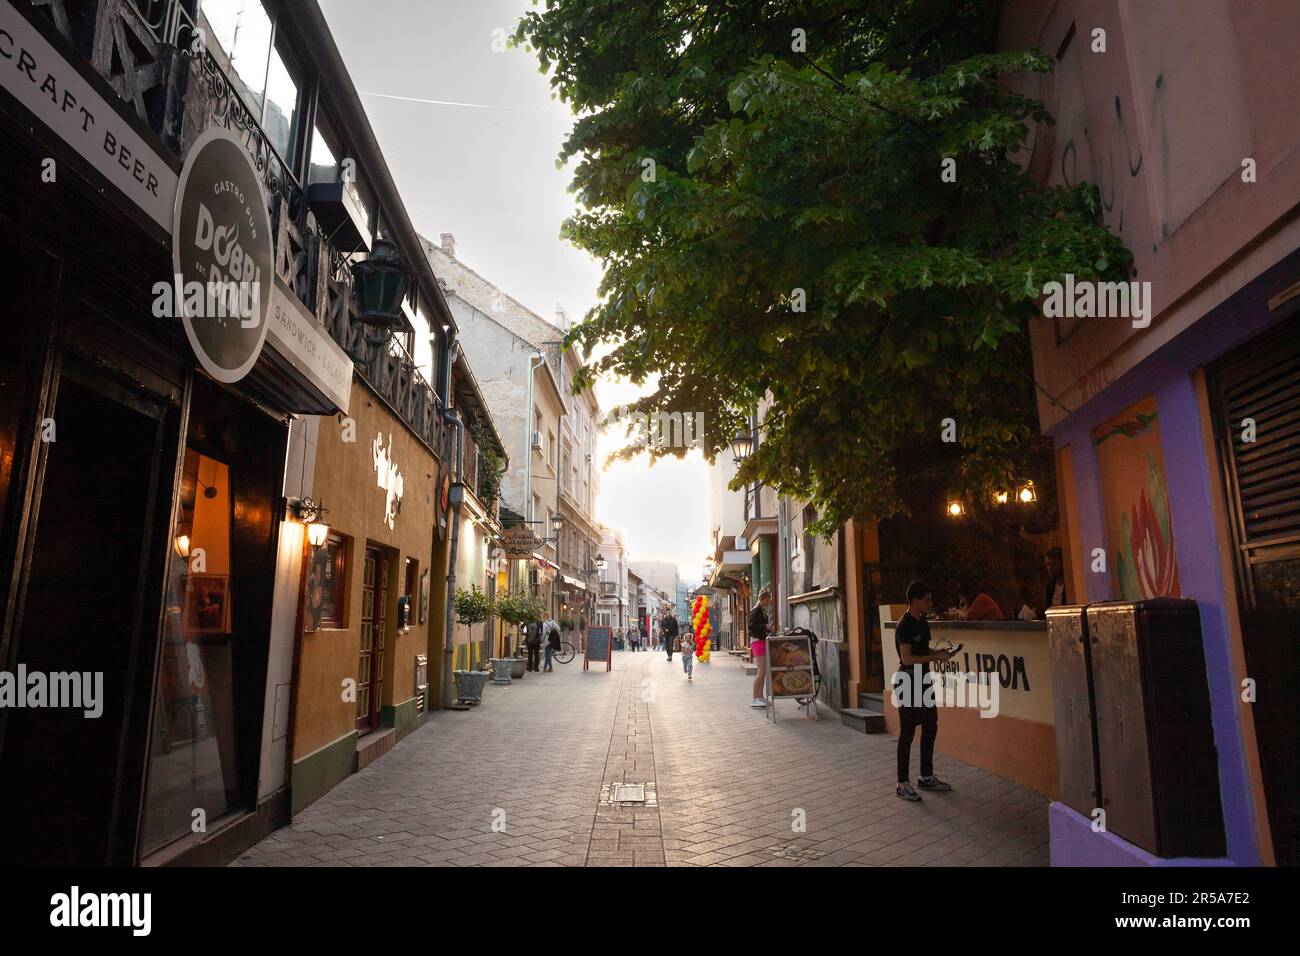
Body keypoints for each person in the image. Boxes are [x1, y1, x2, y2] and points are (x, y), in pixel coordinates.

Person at [894, 581, 954, 802]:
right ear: (915, 600)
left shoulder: (923, 622)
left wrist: (938, 652)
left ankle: (926, 776)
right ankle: (902, 783)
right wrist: (934, 657)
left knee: (930, 726)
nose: (930, 603)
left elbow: (923, 650)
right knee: (908, 732)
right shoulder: (904, 625)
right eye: (927, 599)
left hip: (924, 679)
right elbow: (907, 658)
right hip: (908, 679)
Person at [748, 587, 774, 708]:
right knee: (761, 669)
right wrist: (766, 627)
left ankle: (760, 696)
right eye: (767, 601)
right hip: (757, 641)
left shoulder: (761, 610)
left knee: (763, 670)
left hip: (761, 640)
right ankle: (755, 697)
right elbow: (751, 627)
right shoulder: (756, 610)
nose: (768, 604)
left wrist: (767, 628)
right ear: (762, 599)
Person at [1043, 547, 1067, 616]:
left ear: (1062, 563)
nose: (1050, 568)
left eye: (1053, 564)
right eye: (1048, 564)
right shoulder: (1050, 586)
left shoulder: (1070, 585)